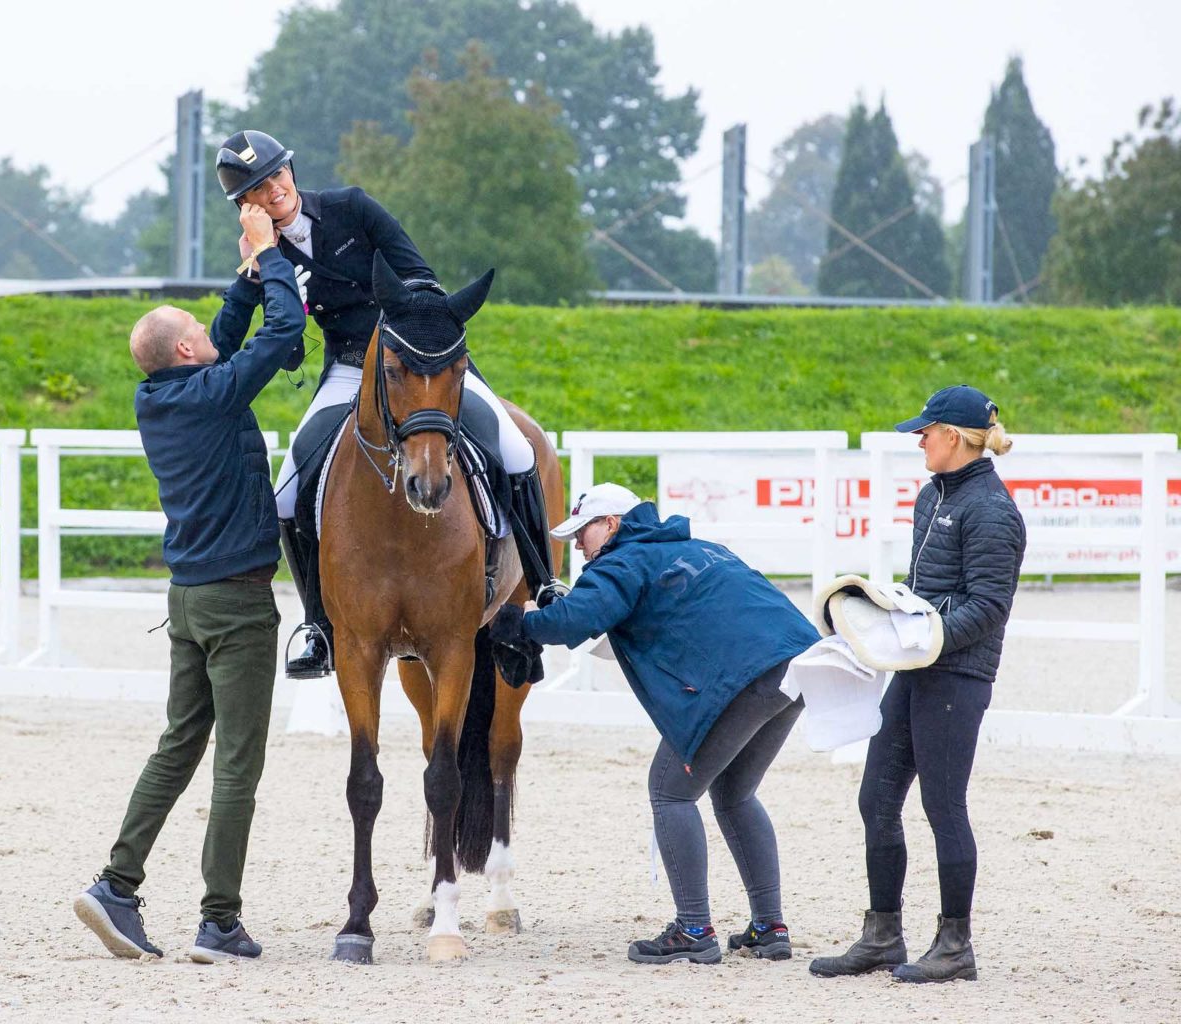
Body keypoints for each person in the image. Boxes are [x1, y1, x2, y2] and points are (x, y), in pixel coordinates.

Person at [213, 129, 564, 679]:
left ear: (291, 171)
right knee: (286, 494)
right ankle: (317, 626)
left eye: (277, 174)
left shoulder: (352, 208)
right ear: (244, 207)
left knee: (518, 449)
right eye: (257, 188)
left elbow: (421, 277)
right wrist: (256, 269)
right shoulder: (266, 253)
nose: (273, 189)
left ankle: (540, 582)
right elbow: (244, 341)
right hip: (351, 369)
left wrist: (402, 334)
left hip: (419, 359)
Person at [71, 202, 305, 964]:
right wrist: (273, 259)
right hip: (237, 604)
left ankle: (116, 884)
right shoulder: (210, 393)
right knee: (239, 759)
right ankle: (220, 920)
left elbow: (231, 337)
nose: (211, 334)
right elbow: (280, 337)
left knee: (178, 744)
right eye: (199, 333)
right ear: (182, 349)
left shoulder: (164, 397)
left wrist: (244, 273)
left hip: (186, 601)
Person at [489, 483, 820, 965]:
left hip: (745, 676)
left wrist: (518, 623)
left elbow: (576, 620)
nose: (578, 545)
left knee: (670, 791)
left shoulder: (624, 561)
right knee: (734, 794)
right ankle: (769, 927)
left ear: (613, 524)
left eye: (584, 531)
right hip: (795, 667)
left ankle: (694, 929)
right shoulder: (696, 546)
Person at [811, 384, 1025, 984]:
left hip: (957, 671)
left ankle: (956, 945)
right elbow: (925, 588)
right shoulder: (933, 496)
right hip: (918, 665)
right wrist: (879, 618)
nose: (918, 440)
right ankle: (883, 935)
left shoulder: (992, 510)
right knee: (875, 798)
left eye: (925, 432)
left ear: (954, 438)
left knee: (943, 805)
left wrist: (920, 639)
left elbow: (987, 607)